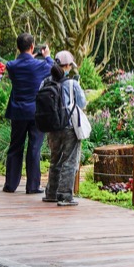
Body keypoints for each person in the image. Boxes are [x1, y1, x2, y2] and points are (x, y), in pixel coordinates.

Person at [1, 32, 51, 194]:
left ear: (18, 47)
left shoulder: (12, 65)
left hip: (17, 111)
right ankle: (32, 186)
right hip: (36, 112)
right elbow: (53, 69)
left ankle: (10, 185)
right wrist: (47, 56)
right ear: (32, 47)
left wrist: (31, 56)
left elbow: (17, 64)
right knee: (34, 148)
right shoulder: (41, 65)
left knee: (15, 147)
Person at [41, 51, 87, 205]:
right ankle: (65, 196)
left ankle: (51, 193)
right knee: (69, 161)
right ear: (66, 66)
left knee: (55, 160)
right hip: (69, 127)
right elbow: (82, 103)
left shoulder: (46, 82)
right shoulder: (72, 83)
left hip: (52, 127)